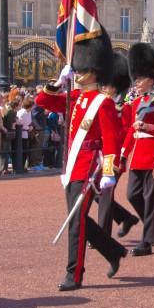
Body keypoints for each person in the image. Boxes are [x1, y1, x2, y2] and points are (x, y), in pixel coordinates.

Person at [34, 30, 127, 291]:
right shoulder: (74, 97)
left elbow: (112, 140)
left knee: (76, 222)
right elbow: (43, 101)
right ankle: (113, 251)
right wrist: (57, 83)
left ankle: (74, 274)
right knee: (79, 218)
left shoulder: (103, 102)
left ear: (94, 70)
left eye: (83, 68)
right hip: (72, 165)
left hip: (89, 168)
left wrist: (109, 172)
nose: (78, 72)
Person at [116, 44, 154, 256]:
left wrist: (148, 126)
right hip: (137, 155)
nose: (136, 82)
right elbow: (131, 132)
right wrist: (123, 154)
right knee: (132, 195)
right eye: (135, 78)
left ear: (150, 78)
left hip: (152, 153)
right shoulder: (136, 102)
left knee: (150, 199)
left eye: (140, 79)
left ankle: (147, 241)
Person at [97, 55, 141, 238]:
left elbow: (126, 133)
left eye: (107, 85)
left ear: (115, 86)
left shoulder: (125, 106)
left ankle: (102, 234)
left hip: (113, 157)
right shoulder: (101, 103)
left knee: (105, 193)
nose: (104, 88)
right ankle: (126, 218)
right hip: (98, 154)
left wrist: (121, 156)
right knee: (96, 191)